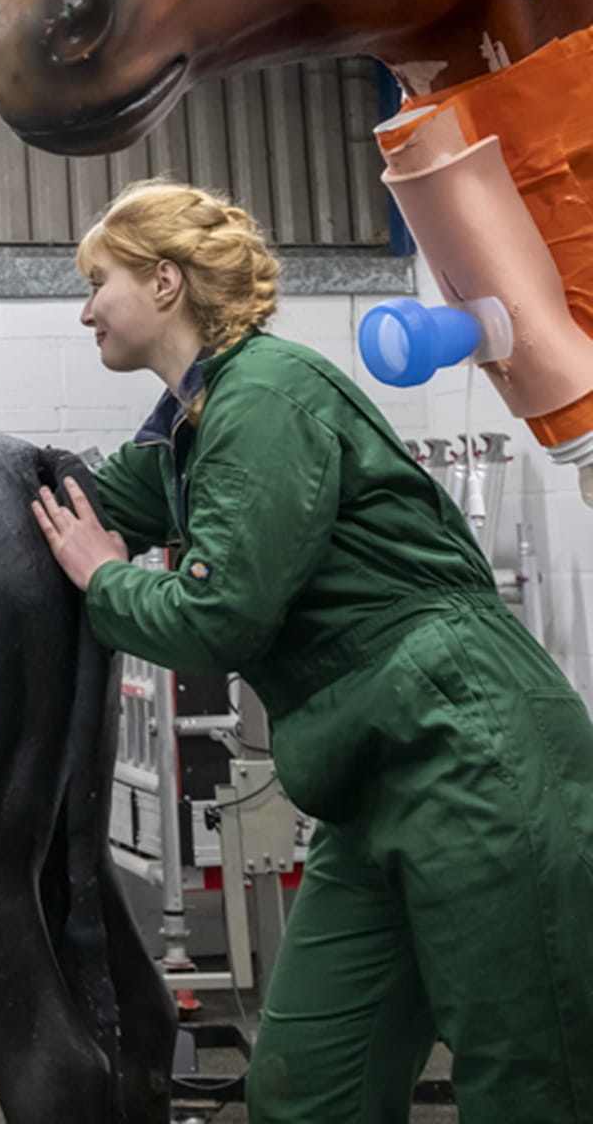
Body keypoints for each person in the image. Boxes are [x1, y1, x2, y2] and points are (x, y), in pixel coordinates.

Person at [31, 180, 593, 1123]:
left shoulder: (265, 394)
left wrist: (107, 580)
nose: (86, 310)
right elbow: (72, 502)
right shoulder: (187, 428)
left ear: (164, 281)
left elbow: (219, 618)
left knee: (534, 1080)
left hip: (469, 750)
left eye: (99, 282)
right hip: (368, 788)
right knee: (308, 1089)